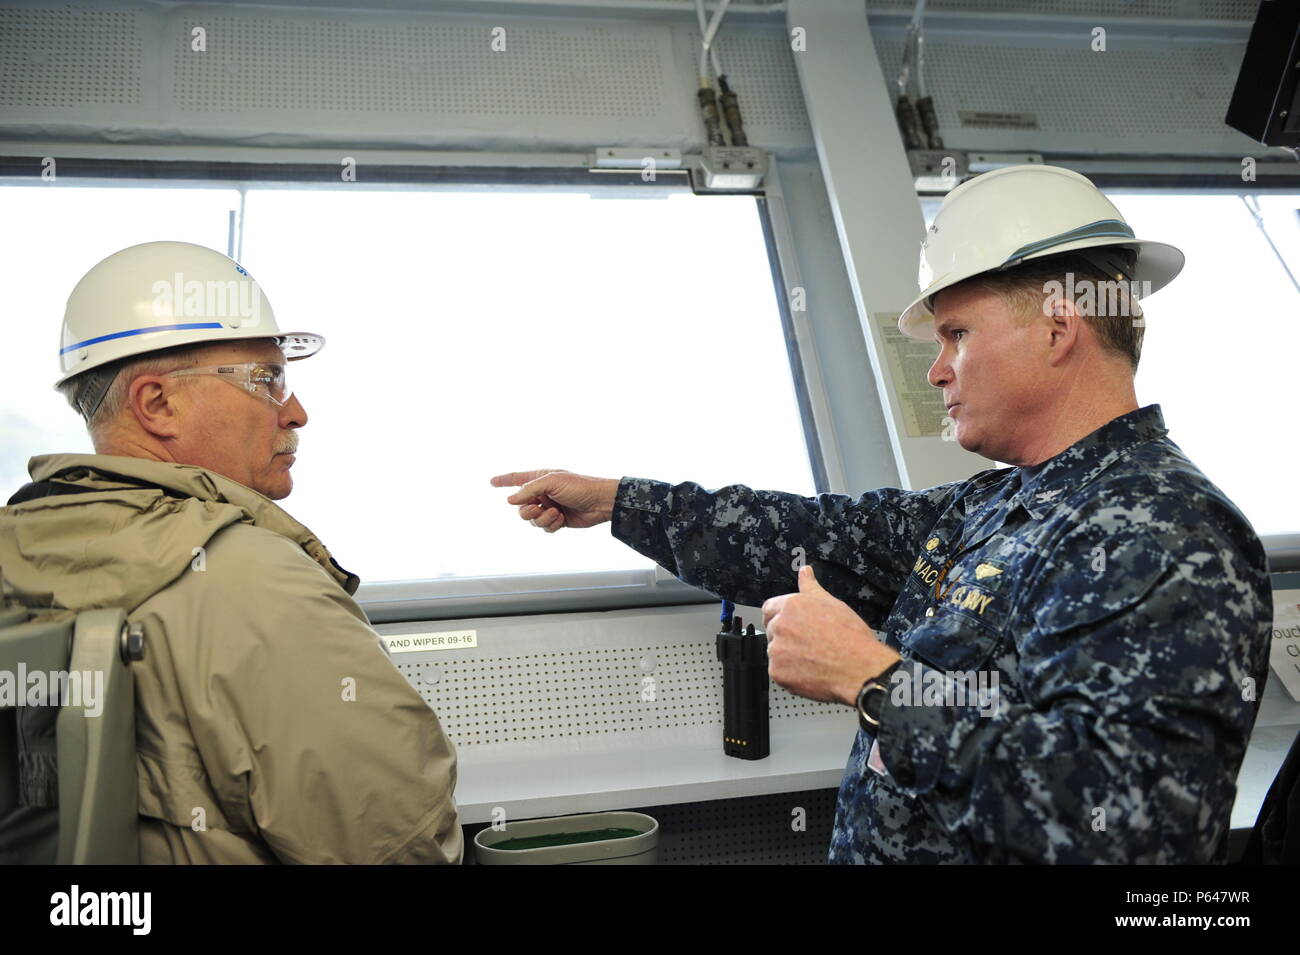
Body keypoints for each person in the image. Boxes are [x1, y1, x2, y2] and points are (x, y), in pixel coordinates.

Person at [491, 165, 1274, 863]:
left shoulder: (1169, 530)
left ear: (1059, 327)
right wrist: (619, 500)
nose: (936, 370)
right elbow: (807, 533)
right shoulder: (998, 501)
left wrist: (873, 678)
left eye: (957, 334)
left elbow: (1122, 827)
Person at [0, 241, 460, 864]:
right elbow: (399, 847)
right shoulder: (256, 585)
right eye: (266, 380)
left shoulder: (20, 554)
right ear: (157, 404)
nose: (296, 412)